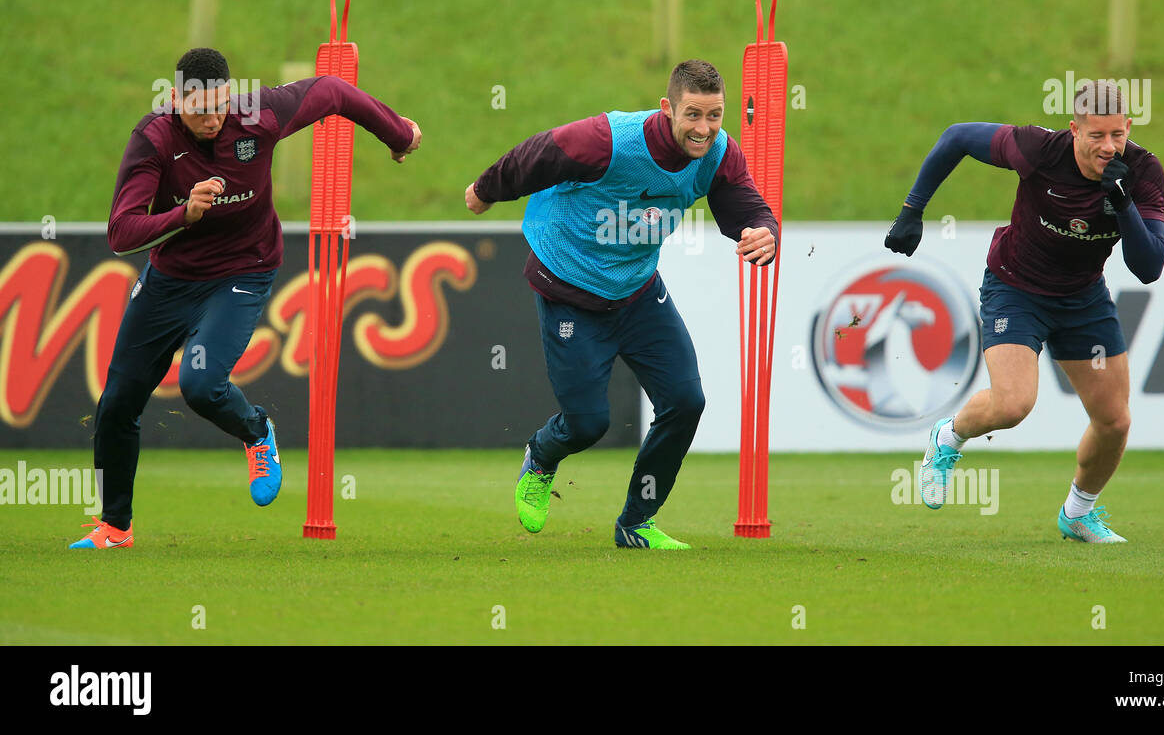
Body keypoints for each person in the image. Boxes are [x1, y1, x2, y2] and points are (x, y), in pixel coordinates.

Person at [70, 47, 421, 549]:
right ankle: (114, 526)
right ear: (174, 100)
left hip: (244, 271)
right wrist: (182, 216)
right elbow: (121, 232)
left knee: (200, 383)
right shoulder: (153, 137)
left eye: (218, 106)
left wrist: (398, 134)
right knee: (117, 403)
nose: (211, 119)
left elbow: (332, 91)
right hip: (170, 280)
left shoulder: (258, 114)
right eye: (198, 109)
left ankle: (257, 431)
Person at [466, 60, 778, 549]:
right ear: (667, 107)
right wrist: (486, 190)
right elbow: (540, 153)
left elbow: (744, 204)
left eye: (715, 115)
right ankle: (542, 456)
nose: (704, 129)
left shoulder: (718, 152)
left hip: (637, 292)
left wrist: (764, 232)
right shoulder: (608, 139)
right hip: (569, 290)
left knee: (685, 401)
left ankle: (636, 523)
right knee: (588, 424)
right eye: (693, 114)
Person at [884, 80, 1164, 543]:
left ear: (1128, 128)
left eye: (1116, 134)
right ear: (1074, 130)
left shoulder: (1142, 169)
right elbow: (956, 137)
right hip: (1015, 288)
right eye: (1096, 136)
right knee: (1014, 405)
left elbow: (1149, 267)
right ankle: (947, 437)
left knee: (1115, 421)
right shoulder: (1038, 149)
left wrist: (1122, 202)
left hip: (1083, 297)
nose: (1108, 146)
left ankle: (1077, 514)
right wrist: (912, 210)